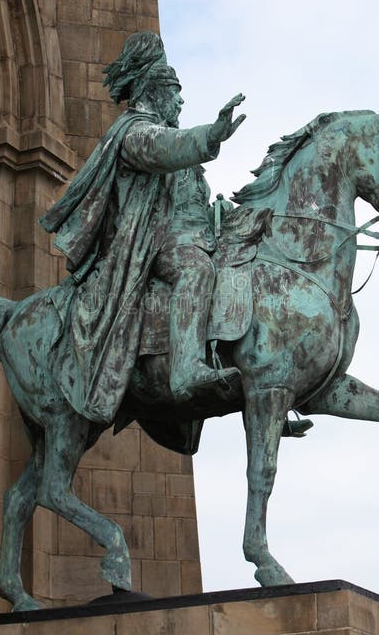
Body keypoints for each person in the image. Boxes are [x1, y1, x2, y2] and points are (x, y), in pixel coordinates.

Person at [39, 32, 245, 424]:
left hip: (193, 236)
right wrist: (212, 135)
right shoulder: (135, 132)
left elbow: (186, 197)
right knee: (196, 271)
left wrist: (216, 210)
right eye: (176, 92)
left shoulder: (163, 138)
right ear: (155, 92)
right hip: (153, 245)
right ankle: (186, 368)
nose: (181, 101)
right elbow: (167, 149)